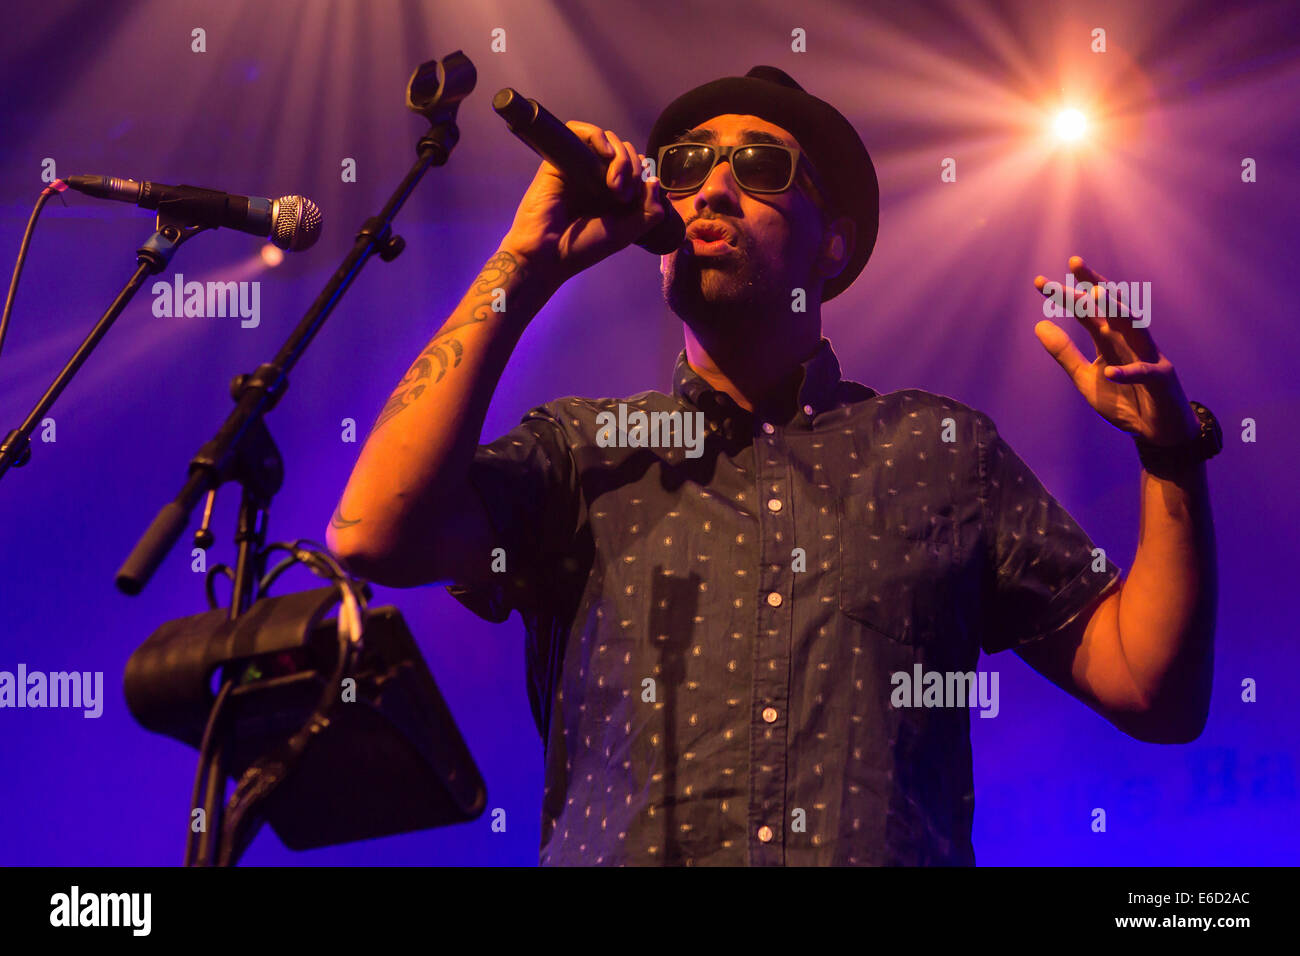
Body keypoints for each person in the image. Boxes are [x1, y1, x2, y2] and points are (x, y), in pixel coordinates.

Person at [326, 66, 1219, 865]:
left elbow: (1151, 689)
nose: (713, 185)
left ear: (832, 247)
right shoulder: (580, 449)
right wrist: (521, 265)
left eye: (759, 167)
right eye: (686, 165)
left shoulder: (940, 449)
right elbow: (371, 535)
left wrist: (1170, 455)